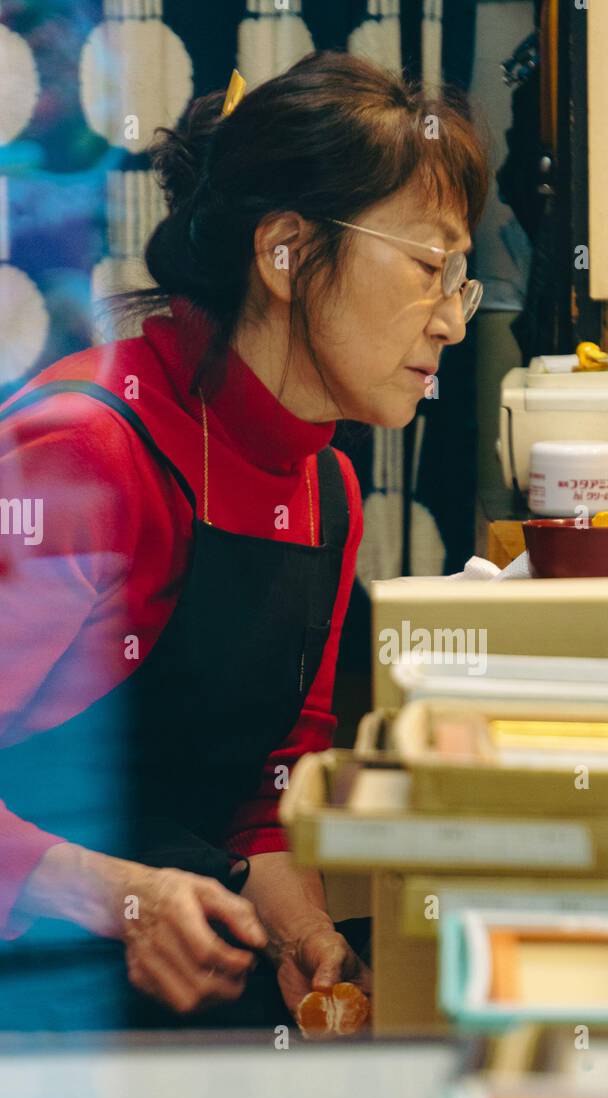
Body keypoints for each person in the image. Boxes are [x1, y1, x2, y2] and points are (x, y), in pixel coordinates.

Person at [0, 51, 488, 1030]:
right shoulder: (88, 459)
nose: (450, 322)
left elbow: (258, 790)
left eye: (461, 279)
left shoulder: (328, 489)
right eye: (429, 265)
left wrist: (302, 927)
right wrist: (120, 897)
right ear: (282, 253)